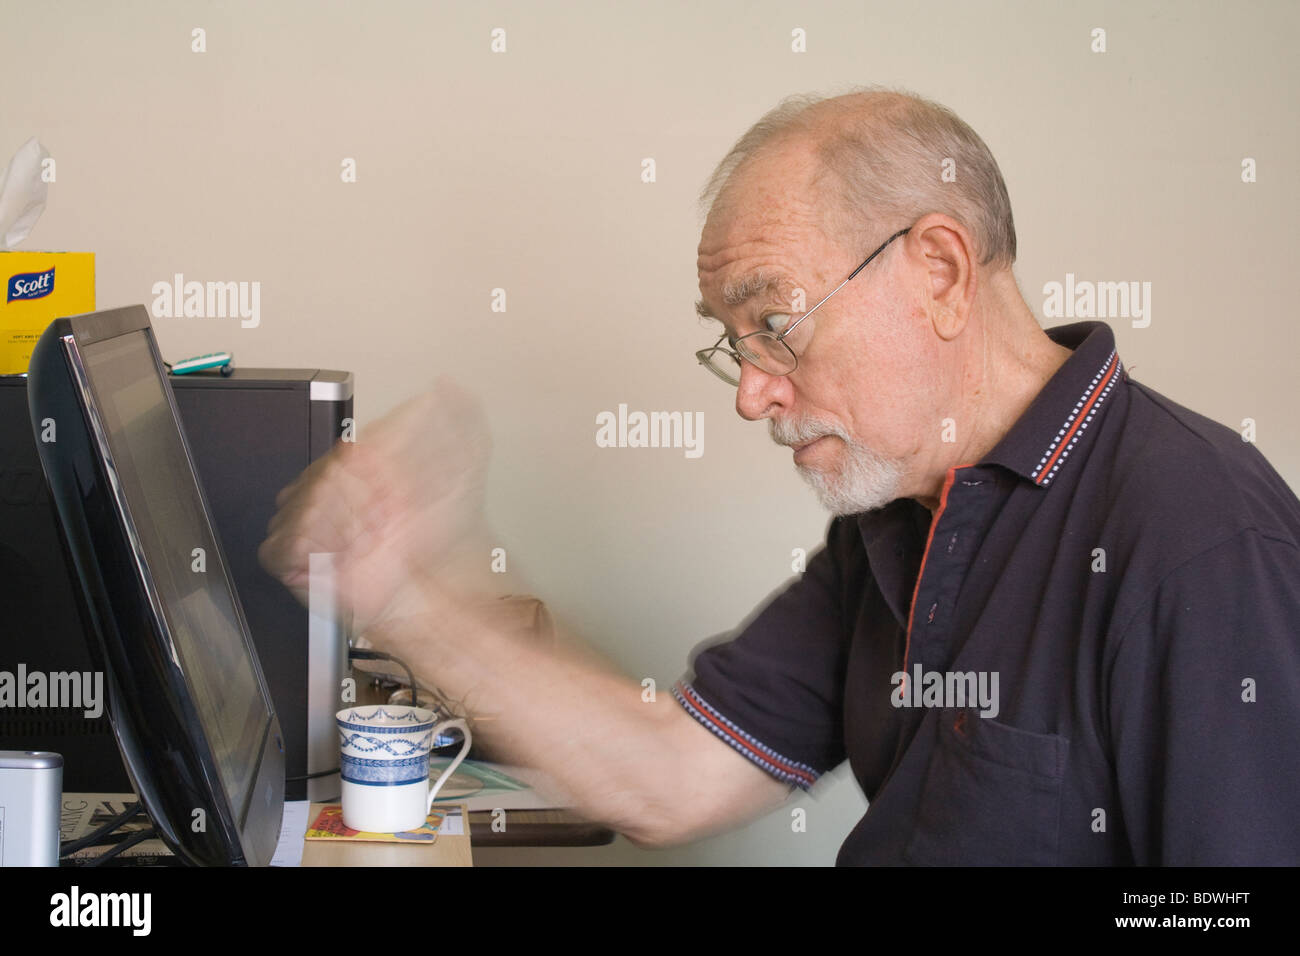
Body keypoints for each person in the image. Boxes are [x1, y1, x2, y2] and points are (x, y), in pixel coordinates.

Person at [259, 87, 1300, 864]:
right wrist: (396, 590)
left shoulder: (1199, 538)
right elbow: (669, 774)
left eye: (774, 324)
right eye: (734, 342)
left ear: (937, 271)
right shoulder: (898, 515)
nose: (751, 394)